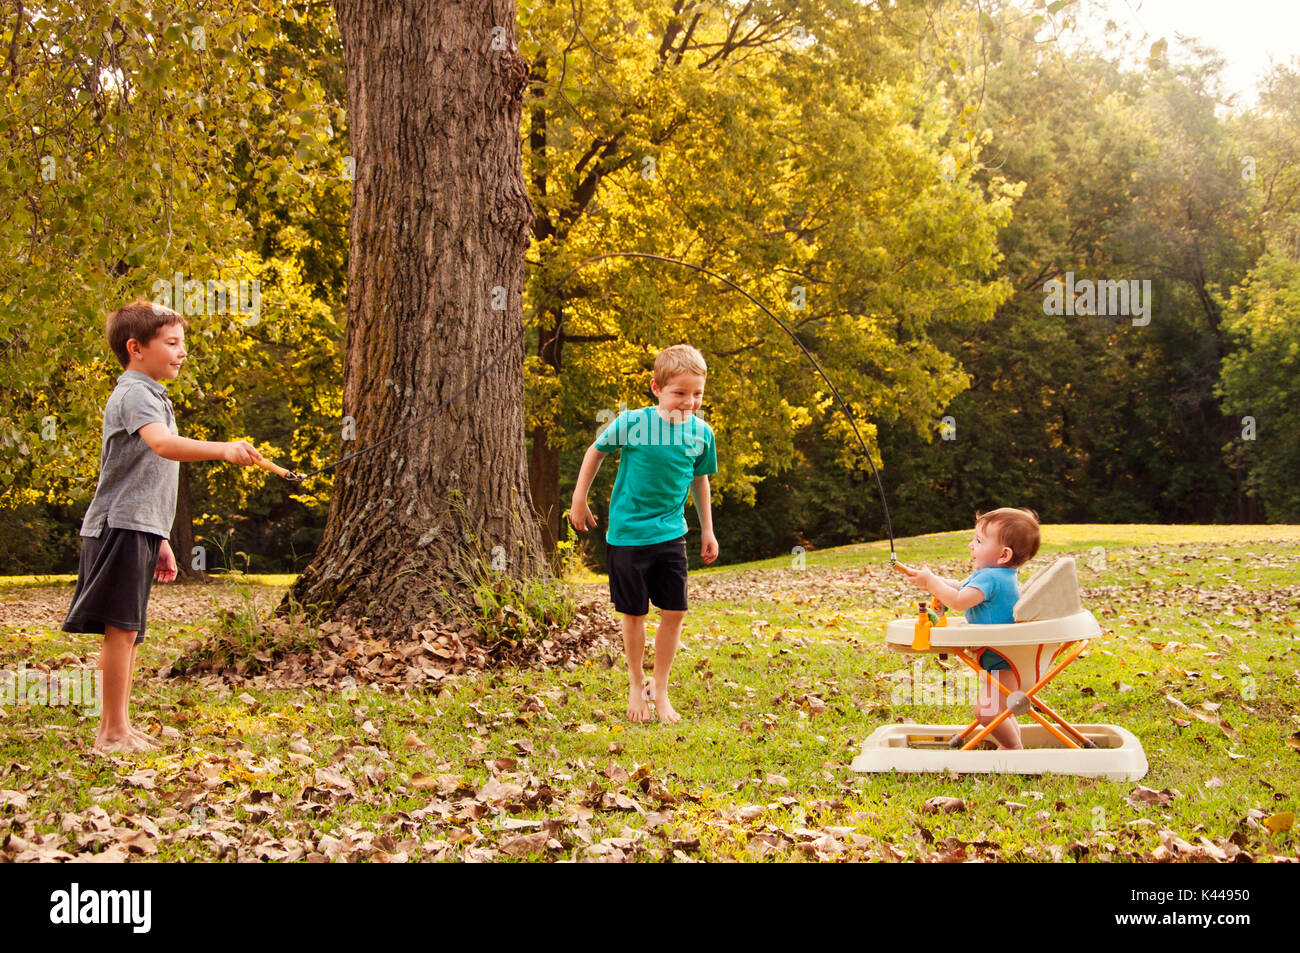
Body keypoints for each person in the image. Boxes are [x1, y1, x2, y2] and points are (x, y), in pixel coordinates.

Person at [62, 300, 263, 753]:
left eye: (182, 344)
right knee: (121, 629)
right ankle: (110, 733)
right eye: (171, 343)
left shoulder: (152, 394)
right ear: (136, 348)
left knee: (130, 631)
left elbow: (146, 477)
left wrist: (162, 538)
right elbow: (163, 446)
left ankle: (122, 726)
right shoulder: (134, 394)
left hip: (139, 528)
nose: (181, 352)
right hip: (119, 527)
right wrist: (223, 449)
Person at [569, 344, 719, 723]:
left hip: (671, 534)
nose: (689, 402)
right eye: (679, 393)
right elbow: (595, 452)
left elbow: (700, 479)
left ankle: (660, 688)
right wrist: (579, 499)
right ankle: (636, 684)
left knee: (675, 611)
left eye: (697, 393)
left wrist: (707, 530)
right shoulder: (633, 423)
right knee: (633, 613)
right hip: (628, 536)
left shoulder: (702, 433)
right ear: (656, 388)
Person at [901, 507, 1041, 749]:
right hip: (1005, 658)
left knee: (986, 712)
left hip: (1005, 661)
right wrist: (931, 580)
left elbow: (957, 601)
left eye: (978, 540)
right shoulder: (994, 575)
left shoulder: (992, 579)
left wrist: (933, 583)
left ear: (1003, 554)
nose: (970, 545)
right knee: (995, 709)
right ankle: (1013, 743)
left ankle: (1012, 748)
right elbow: (959, 588)